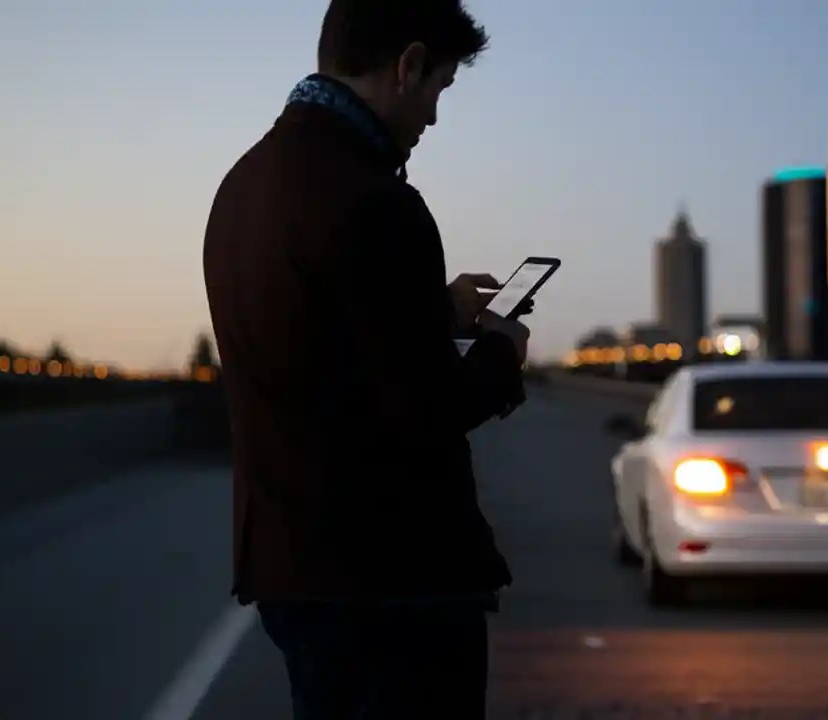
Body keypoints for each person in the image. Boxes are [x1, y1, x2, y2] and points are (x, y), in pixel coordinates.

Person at [201, 0, 528, 716]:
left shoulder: (245, 185)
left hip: (292, 569)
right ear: (407, 66)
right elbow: (426, 410)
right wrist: (502, 355)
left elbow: (323, 339)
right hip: (392, 585)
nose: (433, 118)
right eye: (438, 89)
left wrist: (436, 312)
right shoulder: (376, 203)